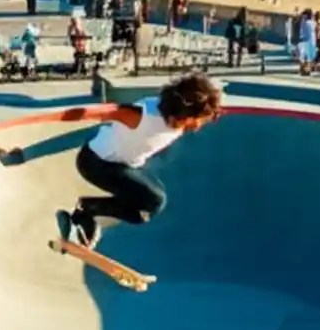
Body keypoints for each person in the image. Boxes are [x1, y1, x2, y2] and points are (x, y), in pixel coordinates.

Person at [47, 73, 223, 249]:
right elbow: (105, 112)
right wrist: (50, 116)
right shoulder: (142, 116)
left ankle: (88, 210)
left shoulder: (178, 118)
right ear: (183, 113)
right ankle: (88, 212)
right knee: (155, 200)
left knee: (148, 209)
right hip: (97, 163)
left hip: (126, 165)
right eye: (197, 121)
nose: (198, 127)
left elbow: (202, 98)